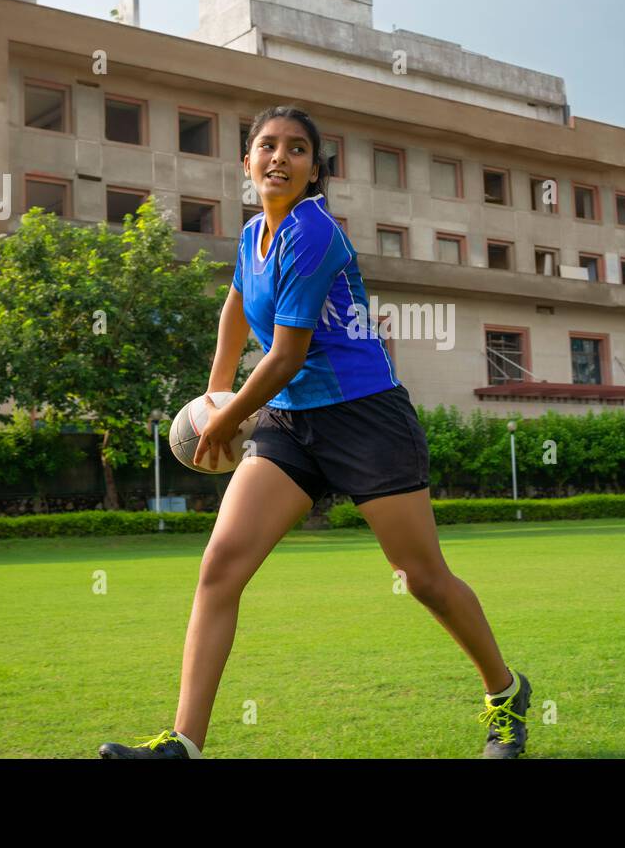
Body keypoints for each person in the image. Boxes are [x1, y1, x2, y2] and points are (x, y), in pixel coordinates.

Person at [98, 105, 531, 760]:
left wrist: (228, 416)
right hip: (289, 423)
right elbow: (237, 310)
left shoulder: (313, 234)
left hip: (365, 417)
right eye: (266, 146)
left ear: (312, 169)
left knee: (422, 578)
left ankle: (505, 695)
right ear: (246, 162)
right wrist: (215, 395)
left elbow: (285, 356)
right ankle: (183, 744)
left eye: (296, 149)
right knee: (219, 567)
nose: (279, 157)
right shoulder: (253, 237)